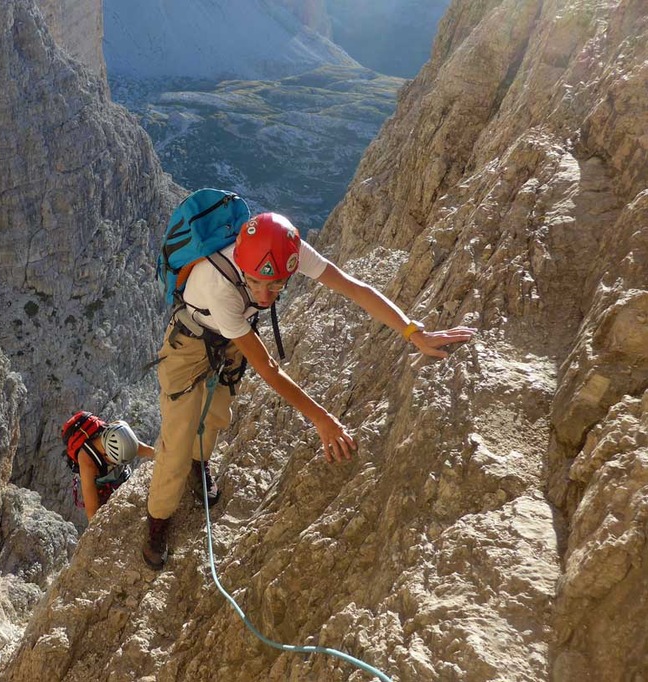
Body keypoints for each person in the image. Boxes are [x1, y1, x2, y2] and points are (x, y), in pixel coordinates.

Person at [142, 213, 476, 569]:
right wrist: (323, 420)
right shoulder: (219, 284)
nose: (265, 295)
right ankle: (157, 520)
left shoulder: (290, 250)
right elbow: (269, 369)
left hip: (228, 340)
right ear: (241, 265)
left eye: (276, 286)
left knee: (216, 415)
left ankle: (199, 464)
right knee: (177, 441)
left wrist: (414, 333)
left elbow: (354, 288)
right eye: (256, 284)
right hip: (188, 345)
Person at [61, 411, 155, 521]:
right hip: (102, 485)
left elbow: (149, 451)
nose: (116, 465)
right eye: (114, 462)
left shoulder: (120, 433)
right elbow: (91, 510)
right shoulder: (87, 462)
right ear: (105, 453)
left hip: (119, 474)